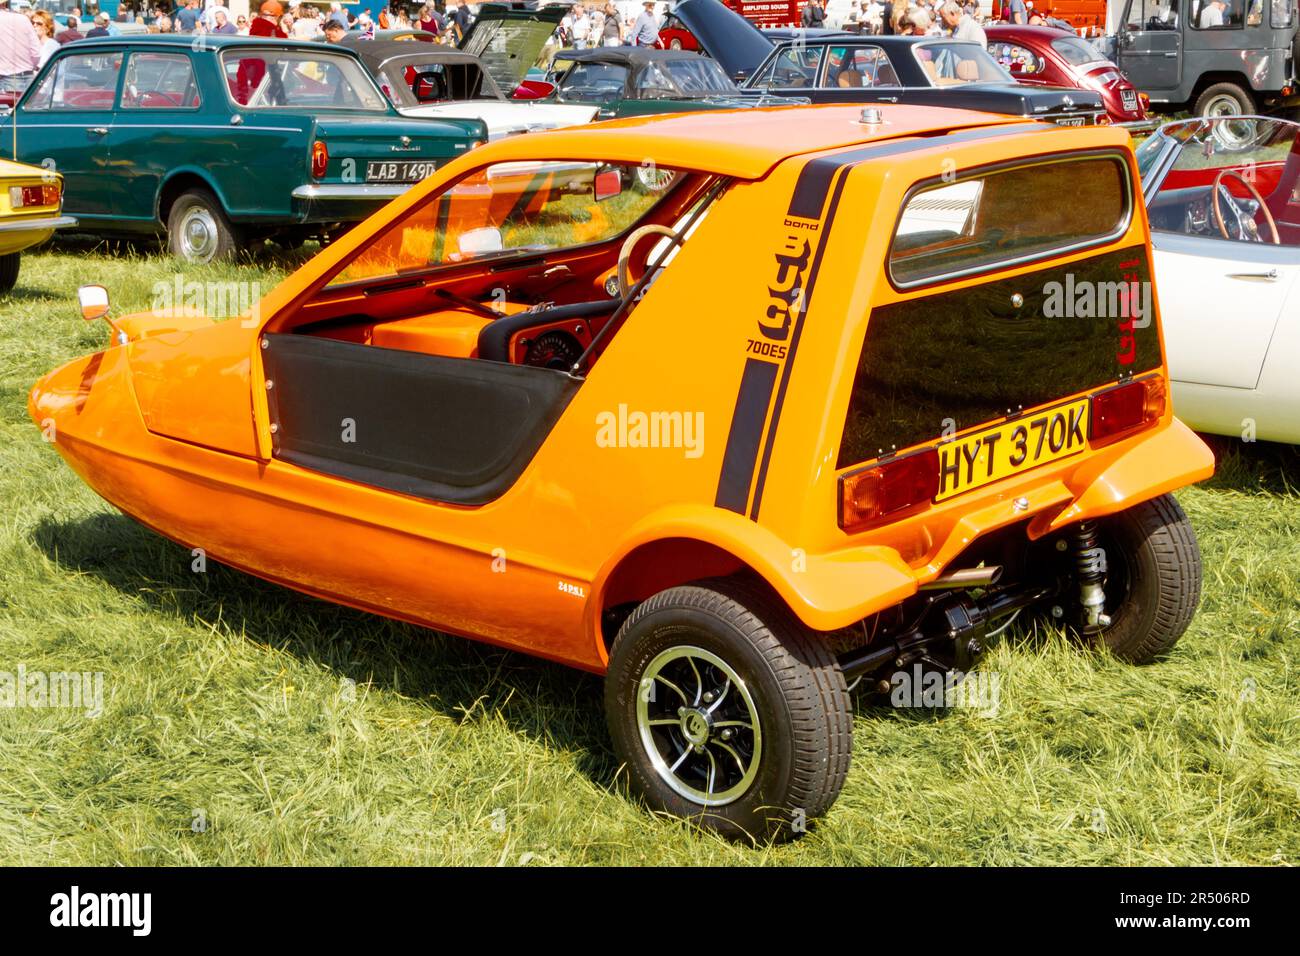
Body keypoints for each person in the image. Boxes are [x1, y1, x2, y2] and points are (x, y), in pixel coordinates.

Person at [0, 1, 39, 94]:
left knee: (10, 108)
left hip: (7, 78)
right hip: (29, 76)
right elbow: (36, 52)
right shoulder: (23, 19)